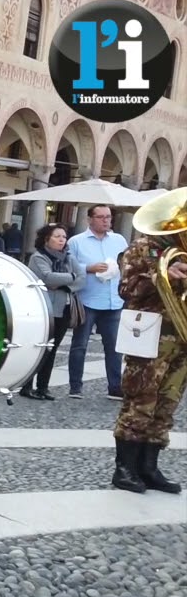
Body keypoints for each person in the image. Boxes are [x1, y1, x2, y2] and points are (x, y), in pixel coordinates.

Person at [109, 194, 185, 495]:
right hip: (150, 335)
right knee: (140, 402)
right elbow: (125, 288)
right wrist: (161, 276)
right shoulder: (143, 248)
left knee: (167, 403)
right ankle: (124, 469)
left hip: (181, 337)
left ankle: (149, 468)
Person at [66, 204, 127, 399]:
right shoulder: (76, 241)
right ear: (89, 219)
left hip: (113, 300)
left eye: (108, 217)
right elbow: (69, 267)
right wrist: (88, 268)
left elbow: (127, 263)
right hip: (87, 299)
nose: (106, 220)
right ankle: (75, 386)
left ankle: (115, 386)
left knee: (114, 347)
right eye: (101, 217)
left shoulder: (119, 240)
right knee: (79, 345)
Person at [21, 223, 84, 401]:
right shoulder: (38, 257)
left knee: (52, 349)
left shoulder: (69, 258)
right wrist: (70, 278)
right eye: (57, 236)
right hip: (43, 308)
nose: (61, 239)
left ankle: (43, 387)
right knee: (38, 347)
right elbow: (47, 277)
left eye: (63, 236)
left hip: (63, 307)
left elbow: (82, 278)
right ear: (46, 239)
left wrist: (64, 282)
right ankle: (26, 385)